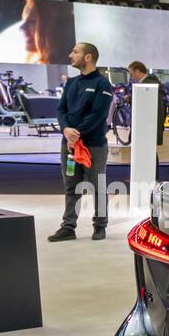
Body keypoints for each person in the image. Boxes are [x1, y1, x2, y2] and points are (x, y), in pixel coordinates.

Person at [48, 43, 113, 242]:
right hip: (68, 144)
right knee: (70, 186)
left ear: (88, 57)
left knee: (98, 186)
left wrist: (76, 134)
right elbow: (61, 110)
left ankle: (100, 226)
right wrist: (66, 130)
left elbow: (98, 115)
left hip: (93, 145)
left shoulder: (103, 84)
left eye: (75, 51)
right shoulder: (71, 83)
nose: (70, 55)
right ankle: (68, 227)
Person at [127, 60, 168, 175]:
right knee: (149, 154)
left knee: (148, 154)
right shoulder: (152, 84)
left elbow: (146, 105)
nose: (131, 77)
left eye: (131, 73)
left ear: (138, 71)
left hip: (146, 128)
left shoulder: (147, 85)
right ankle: (150, 177)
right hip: (149, 128)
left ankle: (150, 178)